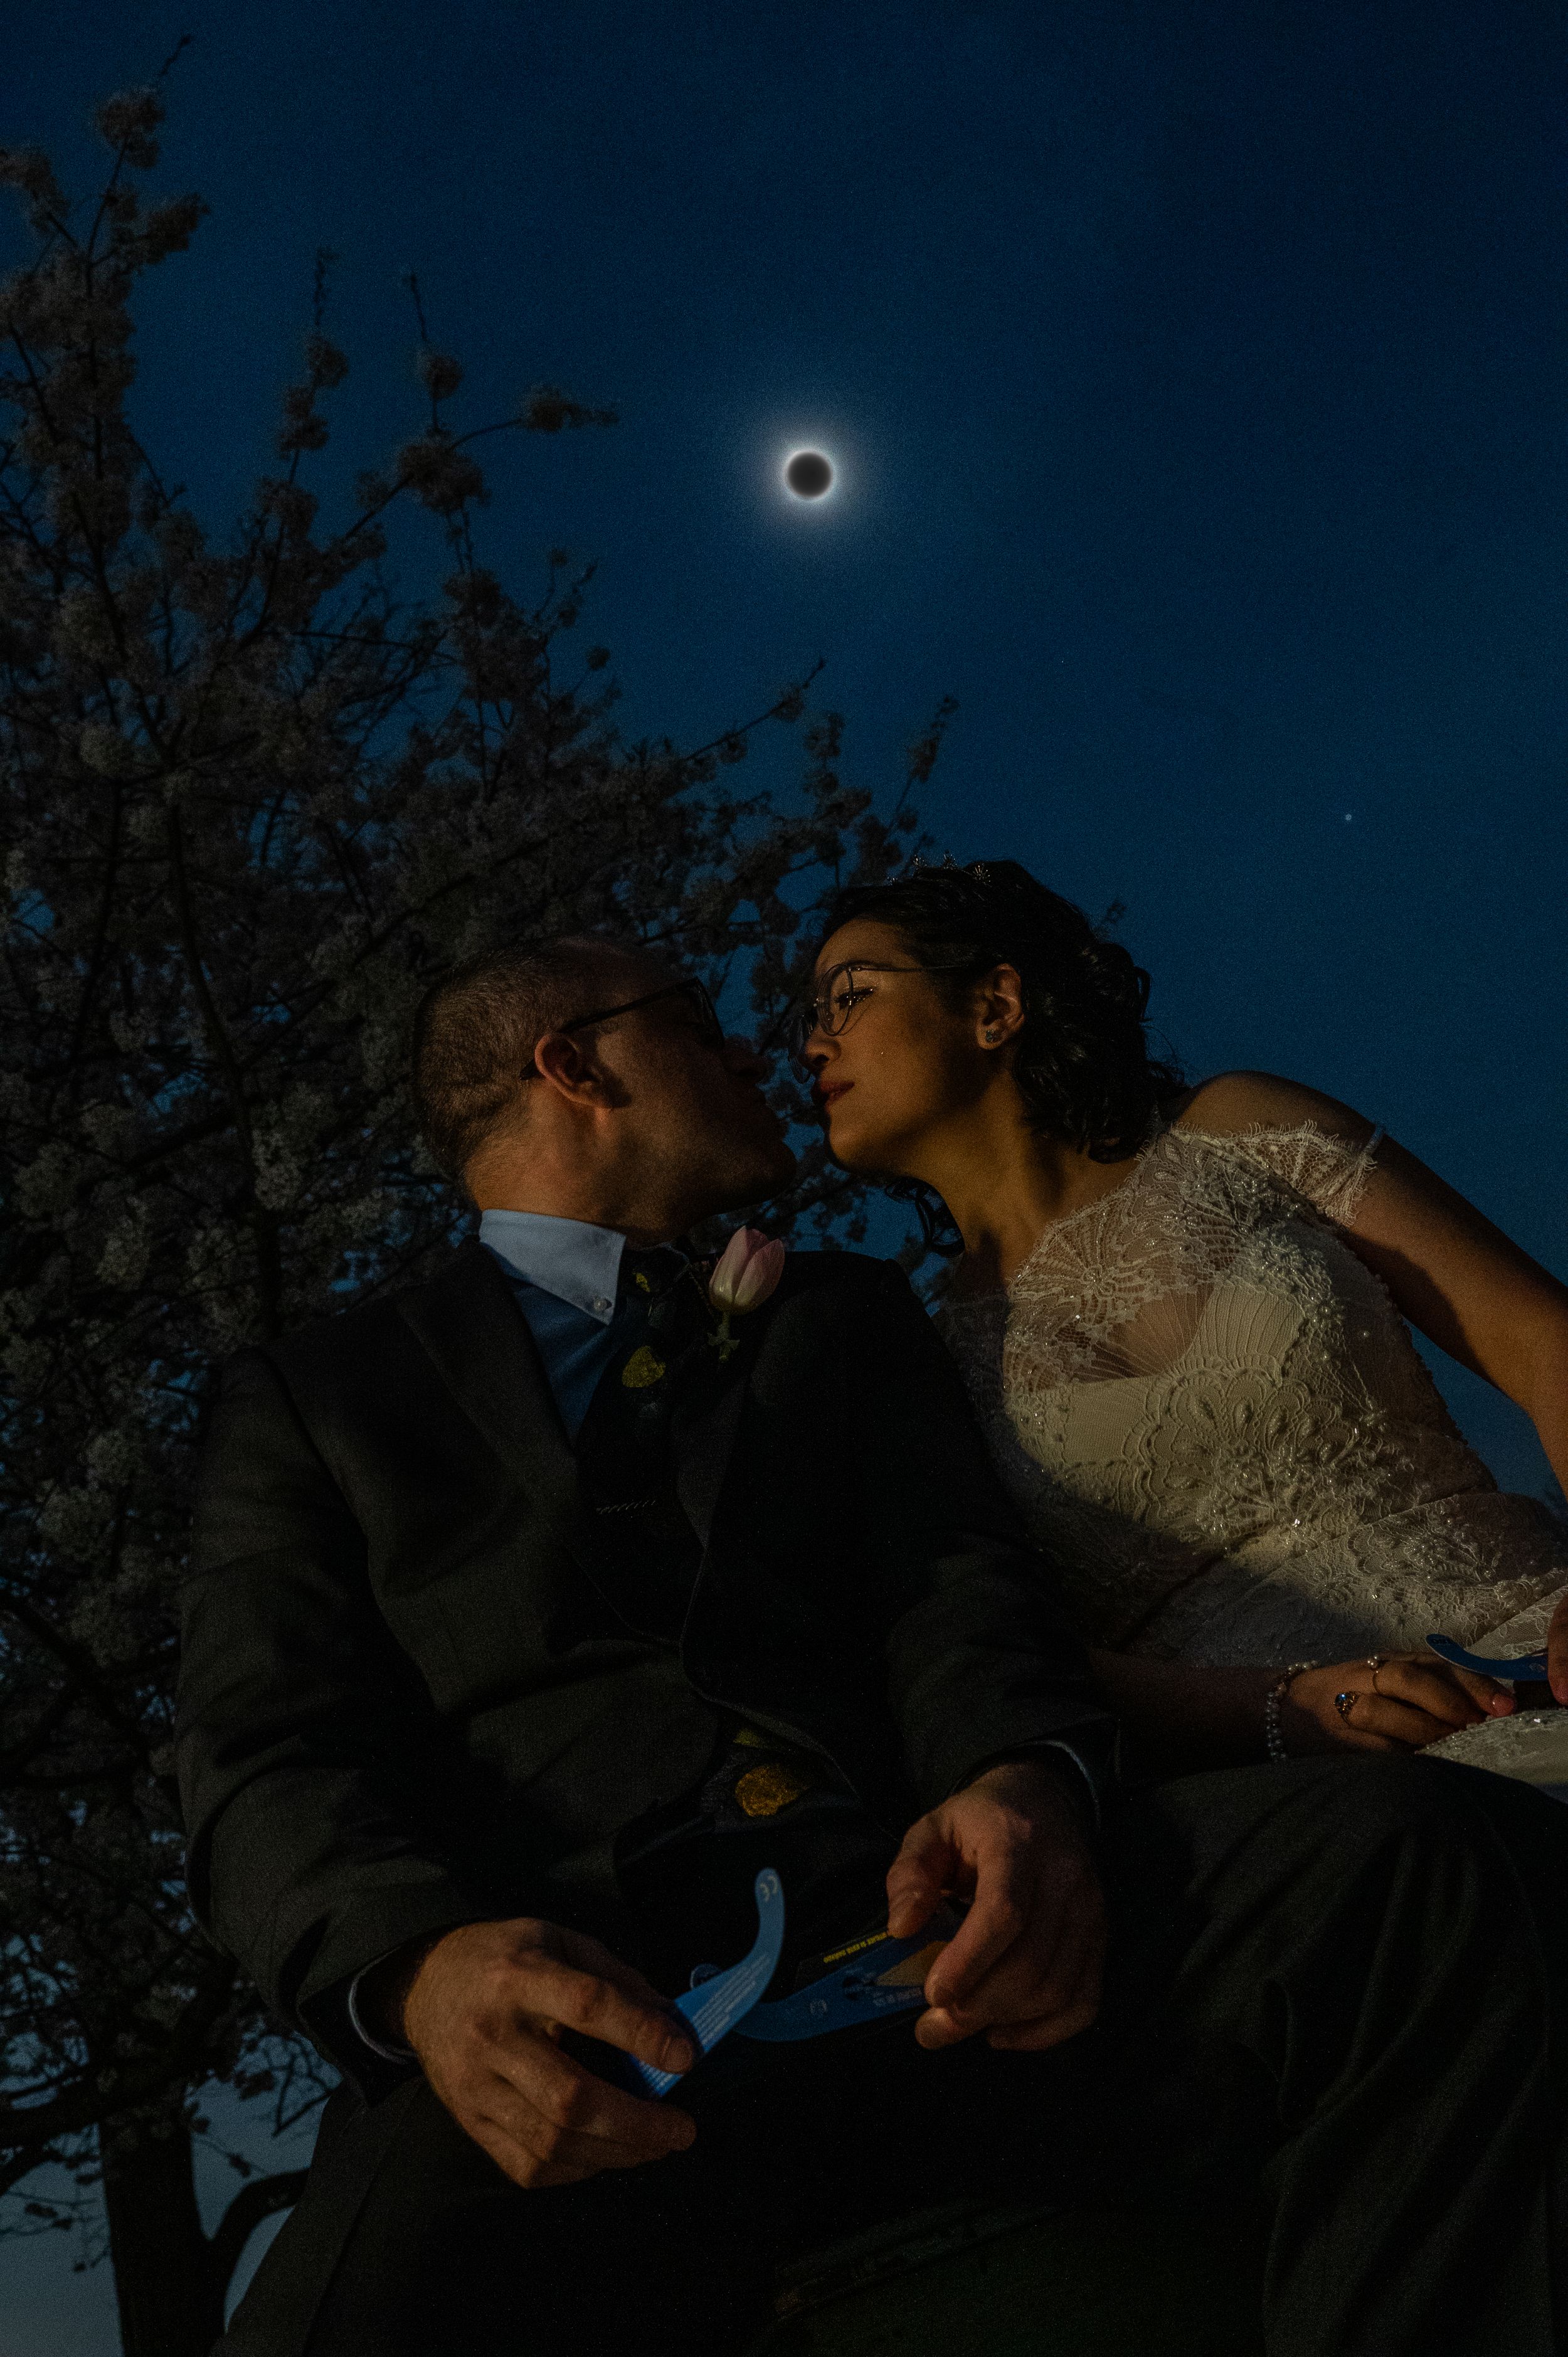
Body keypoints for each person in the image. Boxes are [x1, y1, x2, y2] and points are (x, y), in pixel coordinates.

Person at [179, 930, 1568, 2356]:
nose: (752, 1054)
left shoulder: (837, 1316)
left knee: (1416, 1861)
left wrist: (1023, 1777)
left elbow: (958, 1591)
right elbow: (262, 1753)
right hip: (585, 2037)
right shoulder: (313, 1401)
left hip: (937, 1951)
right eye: (700, 1023)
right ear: (574, 1063)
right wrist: (420, 1971)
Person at [798, 857, 1568, 1779]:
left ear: (995, 1005)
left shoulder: (1239, 1127)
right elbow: (1018, 1649)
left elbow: (1537, 1337)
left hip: (1531, 1643)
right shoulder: (925, 1360)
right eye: (809, 1019)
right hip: (1292, 1793)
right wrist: (1289, 1713)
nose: (813, 1044)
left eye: (850, 997)